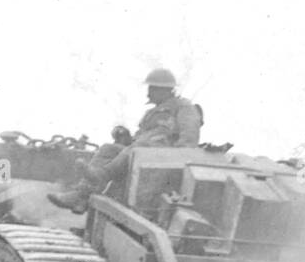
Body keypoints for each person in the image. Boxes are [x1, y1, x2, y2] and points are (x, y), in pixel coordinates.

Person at [49, 68, 204, 213]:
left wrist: (172, 157)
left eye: (152, 89)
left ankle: (99, 177)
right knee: (108, 149)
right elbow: (139, 139)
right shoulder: (153, 112)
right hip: (142, 153)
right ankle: (80, 196)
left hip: (164, 159)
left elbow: (189, 140)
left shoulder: (184, 107)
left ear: (165, 90)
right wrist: (125, 137)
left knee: (136, 149)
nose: (148, 93)